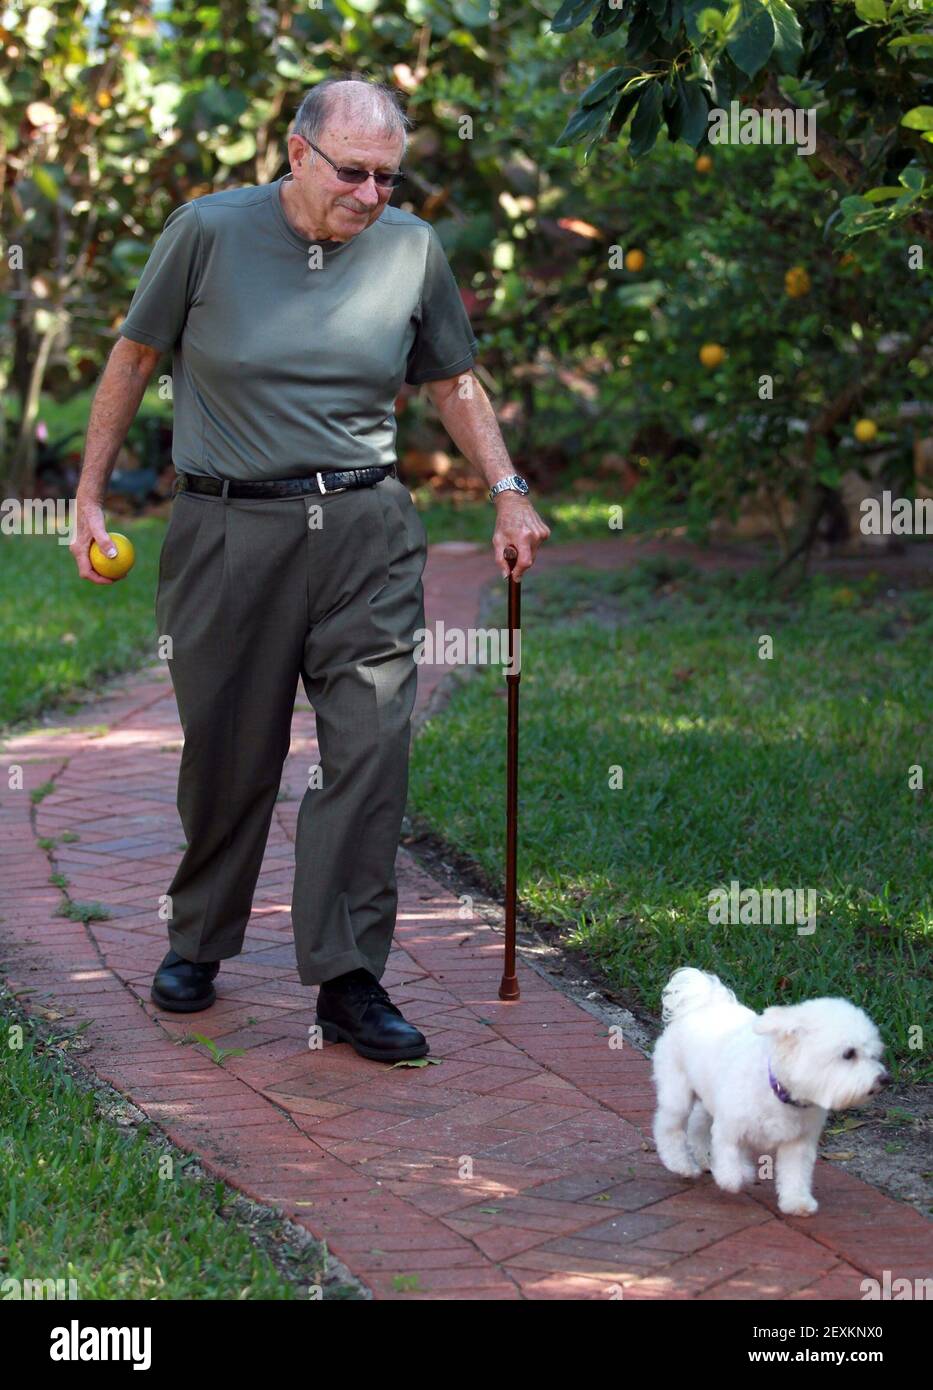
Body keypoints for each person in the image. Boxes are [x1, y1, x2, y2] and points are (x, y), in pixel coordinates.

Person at [71, 75, 550, 1063]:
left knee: (371, 752)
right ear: (295, 154)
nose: (373, 195)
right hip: (228, 527)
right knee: (229, 754)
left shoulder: (412, 250)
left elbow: (453, 381)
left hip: (366, 527)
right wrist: (87, 494)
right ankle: (199, 938)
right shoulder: (206, 233)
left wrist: (505, 484)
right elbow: (133, 357)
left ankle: (347, 978)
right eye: (355, 173)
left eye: (389, 177)